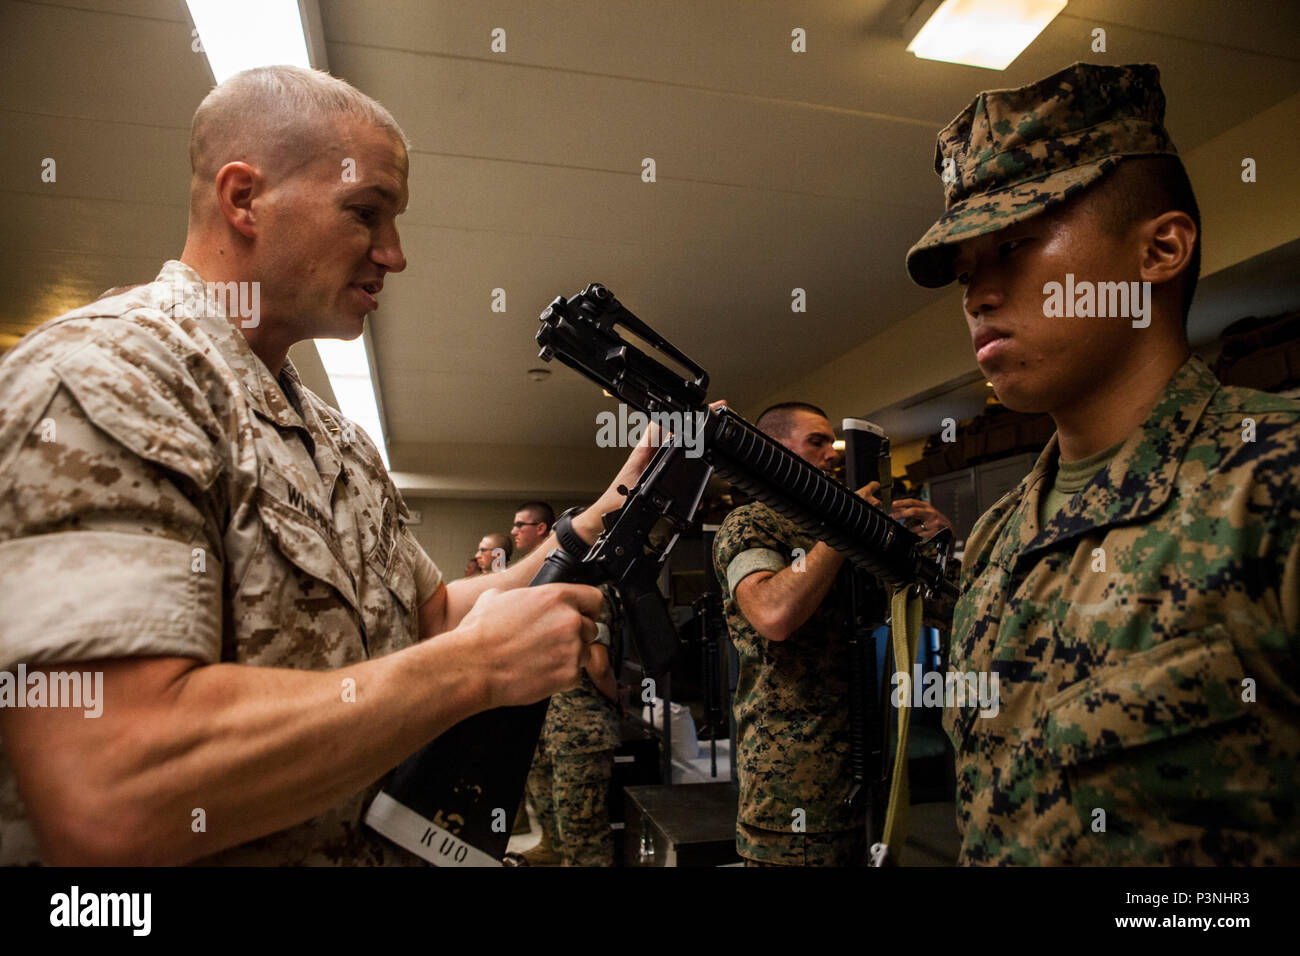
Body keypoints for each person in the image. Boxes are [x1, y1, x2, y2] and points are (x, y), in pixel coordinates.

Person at [0, 65, 655, 866]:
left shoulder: (335, 439)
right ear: (244, 199)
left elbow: (430, 616)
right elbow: (114, 787)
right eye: (366, 213)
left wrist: (611, 508)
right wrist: (474, 670)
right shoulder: (109, 376)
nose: (395, 254)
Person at [905, 61, 1300, 864]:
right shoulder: (996, 539)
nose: (977, 295)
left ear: (1161, 249)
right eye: (967, 271)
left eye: (1013, 245)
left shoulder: (1274, 485)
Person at [711, 401, 869, 866]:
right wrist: (844, 530)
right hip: (792, 784)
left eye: (832, 443)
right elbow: (772, 614)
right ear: (776, 451)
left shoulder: (830, 530)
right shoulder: (752, 522)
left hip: (859, 764)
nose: (832, 454)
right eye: (816, 442)